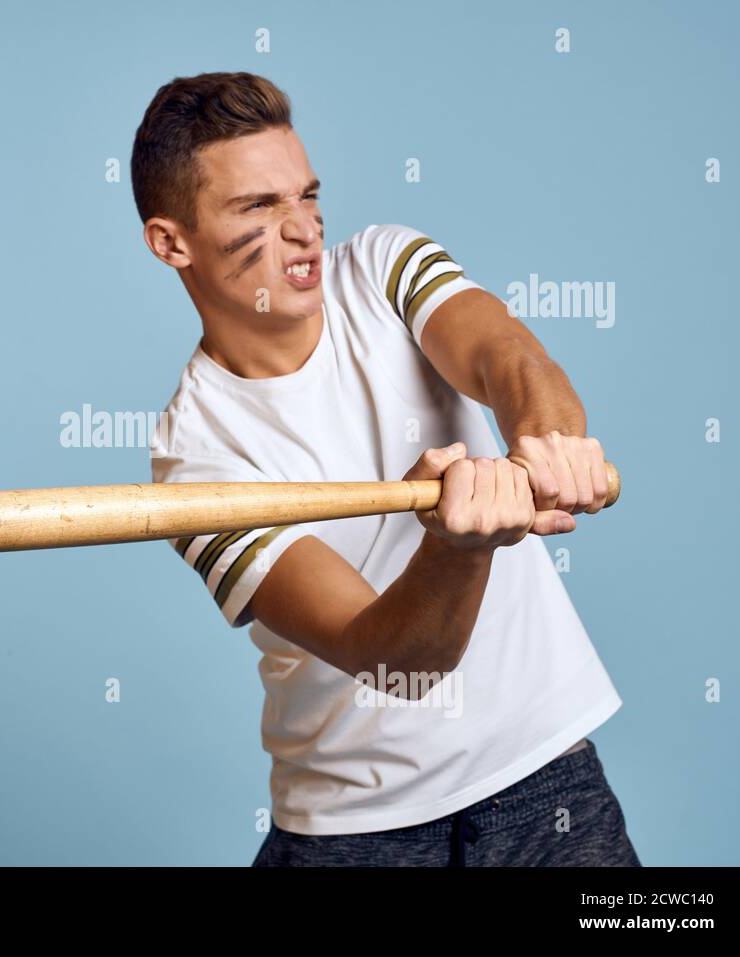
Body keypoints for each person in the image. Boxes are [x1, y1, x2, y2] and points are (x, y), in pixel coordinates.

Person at [132, 71, 640, 866]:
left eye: (305, 194)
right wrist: (458, 548)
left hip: (550, 786)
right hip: (355, 832)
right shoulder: (196, 456)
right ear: (172, 242)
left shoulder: (382, 266)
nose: (304, 229)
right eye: (259, 208)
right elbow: (393, 657)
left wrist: (548, 442)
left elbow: (507, 355)